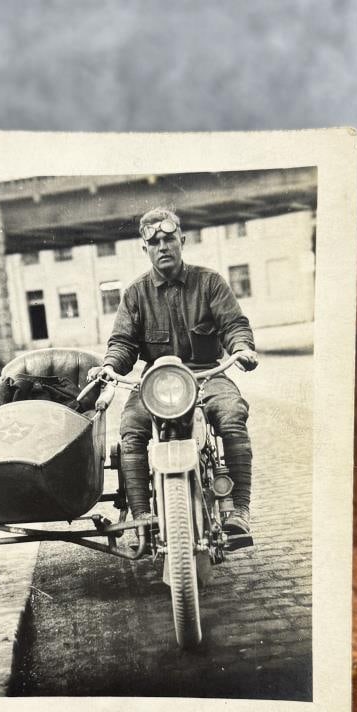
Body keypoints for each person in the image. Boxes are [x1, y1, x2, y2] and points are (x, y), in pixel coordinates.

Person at [90, 207, 258, 537]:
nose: (163, 247)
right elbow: (122, 342)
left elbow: (233, 324)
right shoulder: (135, 294)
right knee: (131, 429)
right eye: (155, 243)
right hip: (155, 381)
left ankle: (239, 509)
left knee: (232, 415)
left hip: (206, 376)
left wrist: (241, 348)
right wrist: (110, 366)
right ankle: (142, 517)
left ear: (182, 241)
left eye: (169, 239)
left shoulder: (209, 283)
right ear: (146, 249)